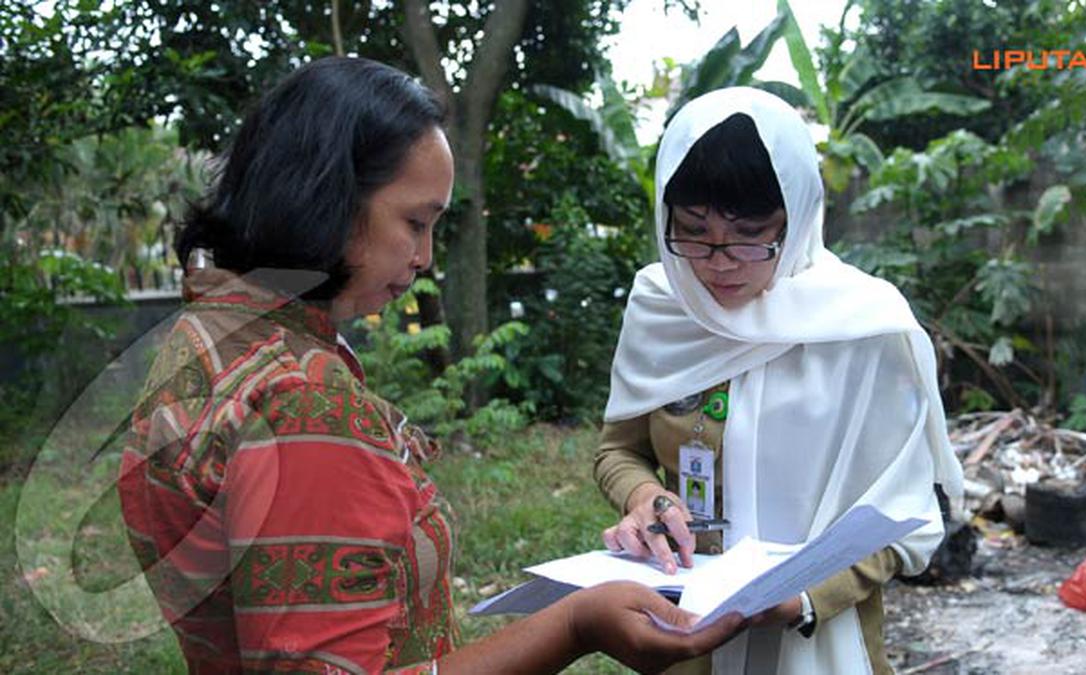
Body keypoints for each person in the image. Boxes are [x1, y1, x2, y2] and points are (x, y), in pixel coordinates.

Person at [116, 57, 747, 675]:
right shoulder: (301, 405)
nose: (423, 256)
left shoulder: (208, 331)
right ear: (324, 198)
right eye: (415, 222)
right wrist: (574, 624)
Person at [594, 87, 965, 674]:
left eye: (750, 235)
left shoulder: (862, 326)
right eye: (693, 230)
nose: (718, 262)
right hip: (687, 633)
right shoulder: (664, 309)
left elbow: (906, 515)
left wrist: (807, 598)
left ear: (797, 217)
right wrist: (648, 500)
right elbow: (619, 451)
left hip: (823, 644)